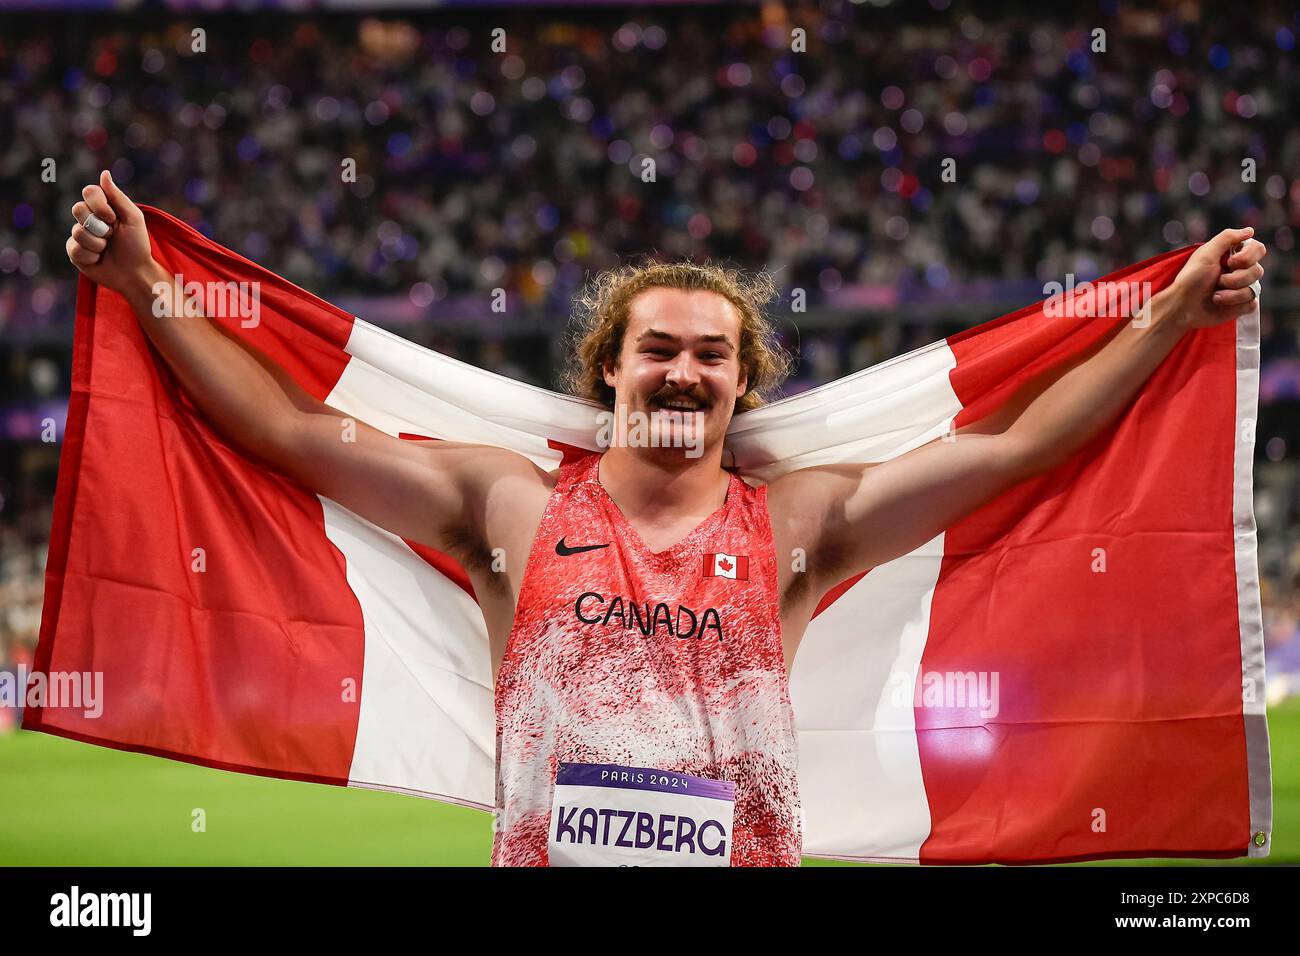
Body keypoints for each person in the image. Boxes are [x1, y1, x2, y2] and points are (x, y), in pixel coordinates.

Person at [66, 169, 1266, 866]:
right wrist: (145, 284)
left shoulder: (798, 524)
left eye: (711, 354)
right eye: (659, 351)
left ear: (744, 383)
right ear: (609, 370)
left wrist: (1162, 320)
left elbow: (1017, 446)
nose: (684, 371)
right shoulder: (509, 506)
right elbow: (282, 432)